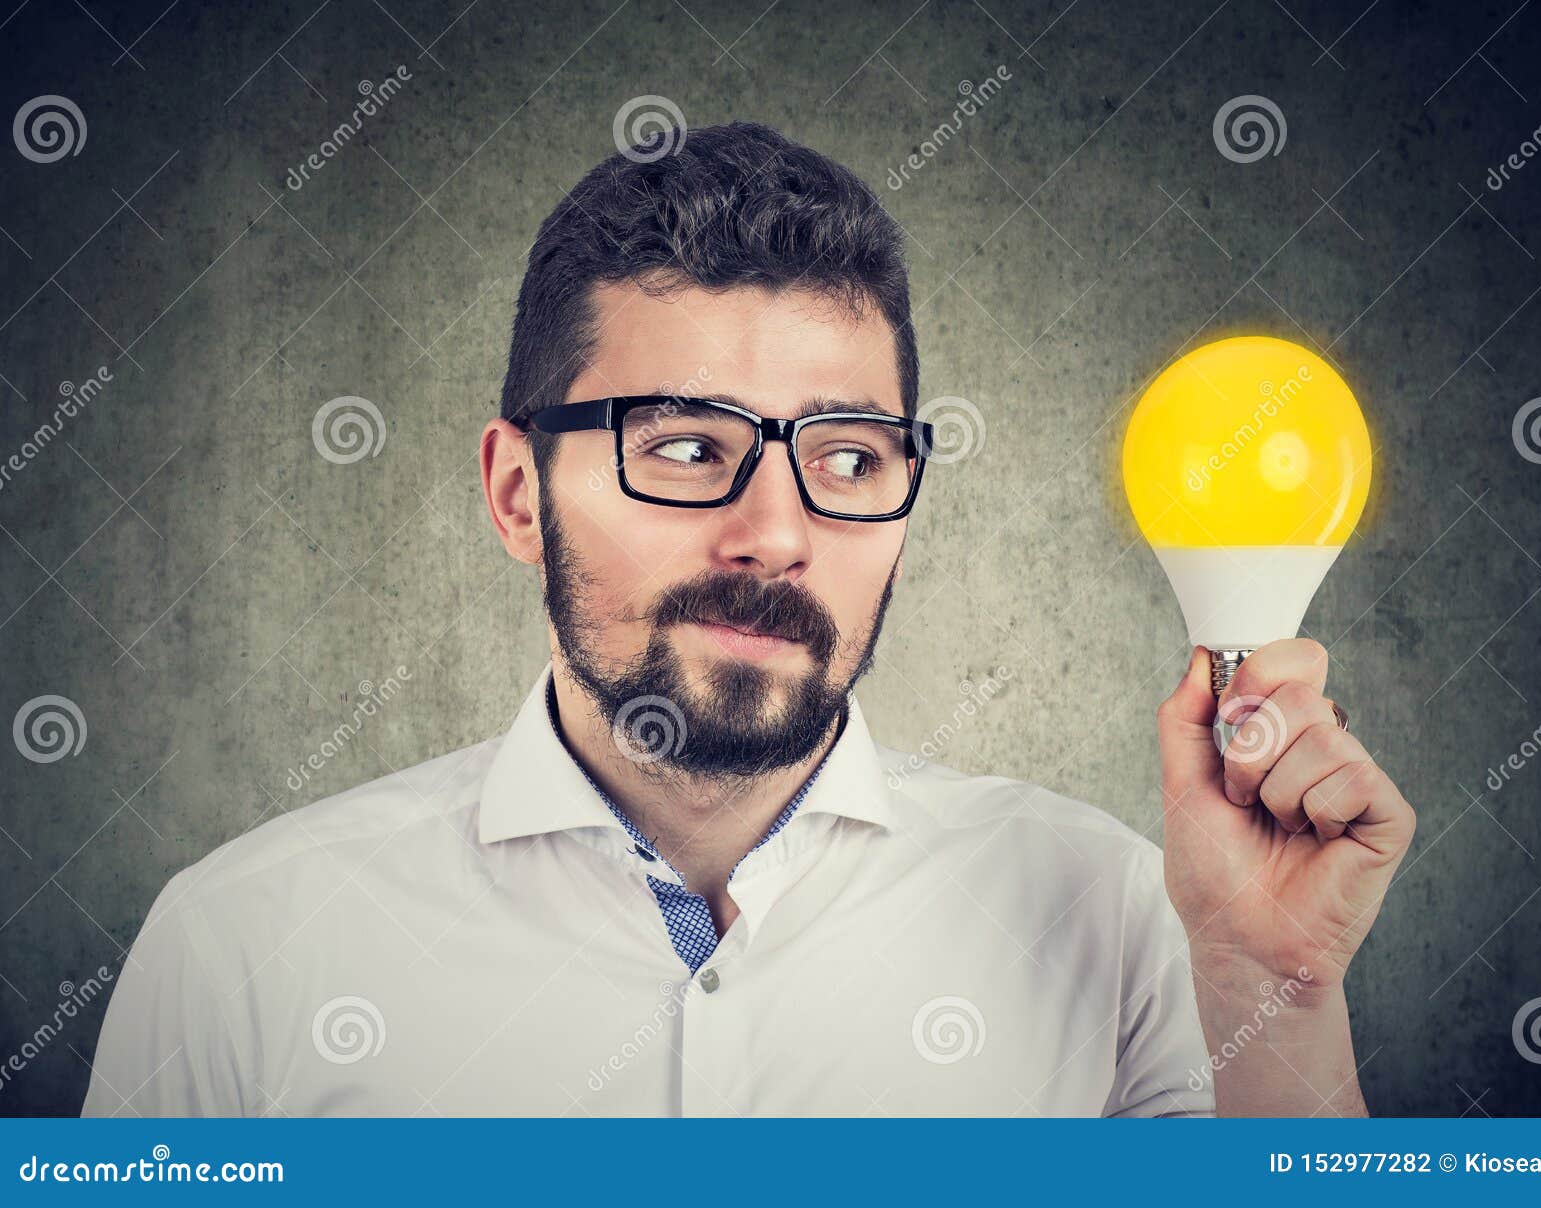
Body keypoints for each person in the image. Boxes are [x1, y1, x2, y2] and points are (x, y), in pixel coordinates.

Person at [83, 121, 1414, 1117]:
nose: (775, 534)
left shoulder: (1125, 922)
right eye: (678, 448)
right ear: (514, 492)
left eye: (845, 460)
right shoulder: (242, 954)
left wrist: (1272, 995)